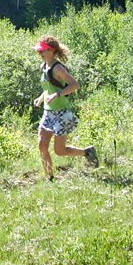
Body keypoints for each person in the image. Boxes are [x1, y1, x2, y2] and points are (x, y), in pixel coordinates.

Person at [32, 35, 98, 181]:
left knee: (59, 151)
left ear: (52, 51)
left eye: (43, 51)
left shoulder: (58, 68)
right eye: (39, 51)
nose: (40, 54)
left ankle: (87, 152)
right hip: (48, 113)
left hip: (61, 114)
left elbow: (75, 85)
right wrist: (41, 98)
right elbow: (48, 87)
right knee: (42, 145)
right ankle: (49, 177)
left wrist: (58, 94)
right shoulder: (43, 67)